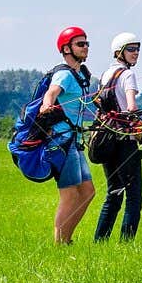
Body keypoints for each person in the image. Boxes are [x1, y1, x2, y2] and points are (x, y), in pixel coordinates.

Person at [42, 26, 95, 244]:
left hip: (73, 140)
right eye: (80, 44)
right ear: (66, 48)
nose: (85, 48)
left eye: (86, 44)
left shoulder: (80, 75)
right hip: (61, 140)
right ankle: (59, 243)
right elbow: (52, 93)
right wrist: (47, 105)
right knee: (70, 194)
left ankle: (66, 239)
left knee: (88, 192)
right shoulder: (64, 74)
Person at [92, 32, 142, 242]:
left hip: (107, 139)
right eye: (131, 49)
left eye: (137, 49)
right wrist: (138, 120)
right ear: (119, 52)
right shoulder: (128, 75)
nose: (136, 53)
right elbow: (131, 107)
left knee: (114, 192)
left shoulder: (106, 74)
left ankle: (99, 241)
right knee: (133, 196)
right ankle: (126, 244)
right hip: (125, 142)